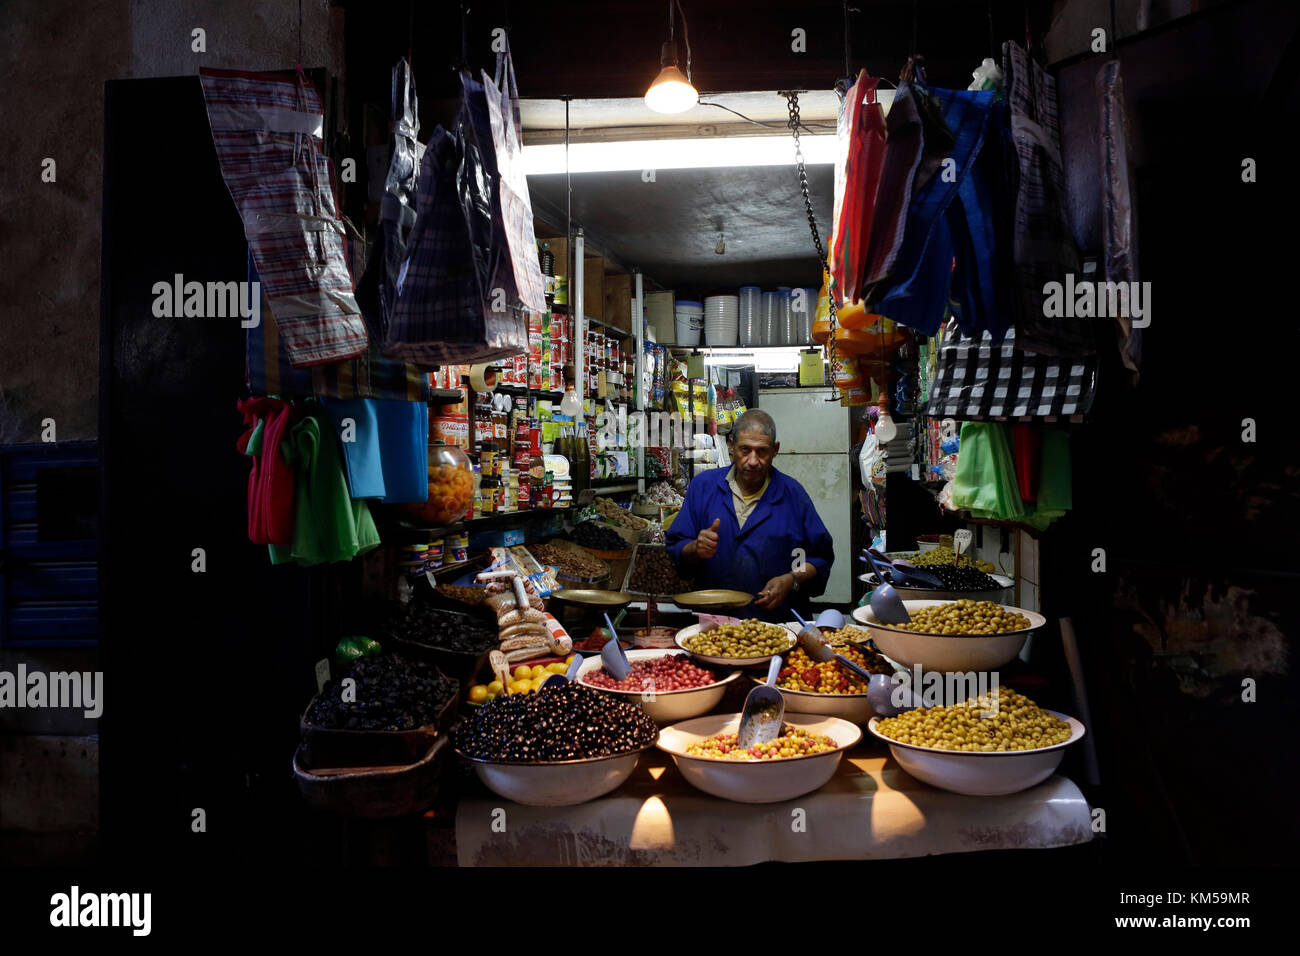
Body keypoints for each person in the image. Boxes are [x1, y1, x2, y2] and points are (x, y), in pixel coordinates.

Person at [666, 409, 834, 620]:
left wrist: (791, 579)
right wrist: (695, 548)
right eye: (745, 449)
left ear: (775, 449)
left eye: (762, 451)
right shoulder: (703, 488)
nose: (753, 461)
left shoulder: (792, 495)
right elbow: (677, 545)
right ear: (731, 445)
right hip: (713, 626)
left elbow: (812, 555)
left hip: (777, 625)